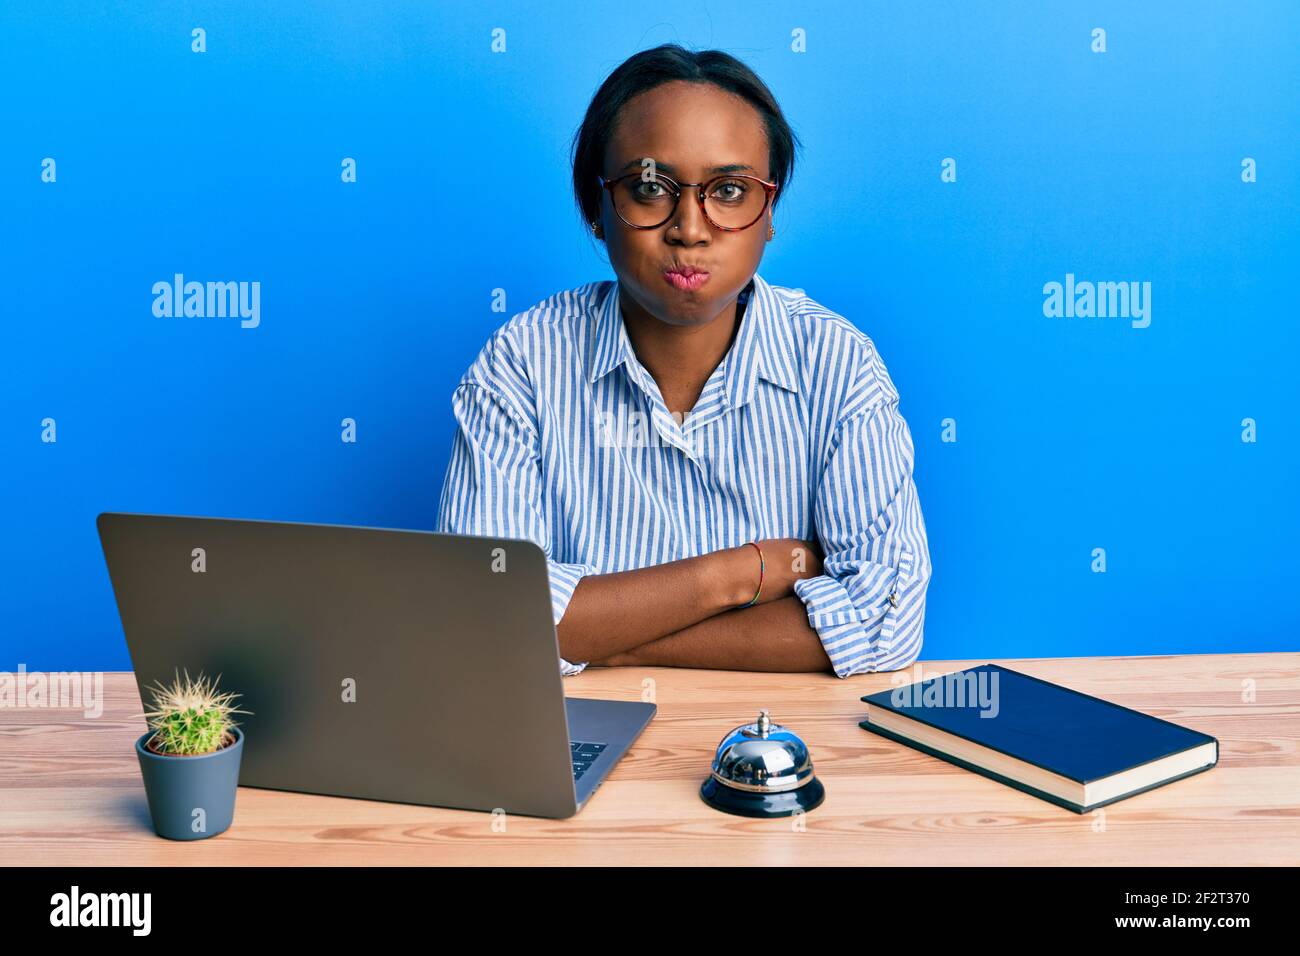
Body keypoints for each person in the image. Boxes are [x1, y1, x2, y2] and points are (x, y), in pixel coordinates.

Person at [436, 44, 930, 678]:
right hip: (572, 750)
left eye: (729, 190)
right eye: (649, 188)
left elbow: (885, 622)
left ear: (769, 212)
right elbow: (481, 612)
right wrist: (737, 573)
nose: (690, 229)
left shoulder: (836, 364)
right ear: (597, 207)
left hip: (784, 747)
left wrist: (596, 632)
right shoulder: (522, 364)